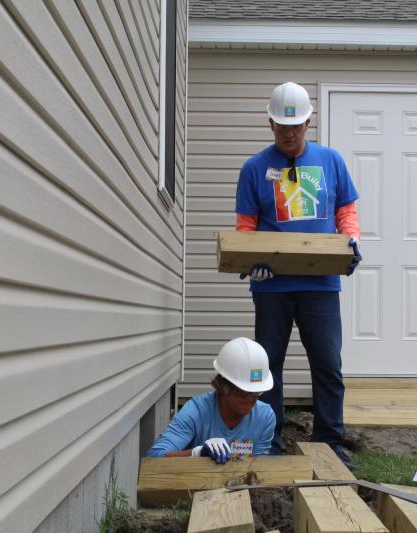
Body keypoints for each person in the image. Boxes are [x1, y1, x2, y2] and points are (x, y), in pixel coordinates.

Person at [234, 81, 362, 469]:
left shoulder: (331, 161)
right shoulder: (255, 169)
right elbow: (245, 227)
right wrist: (250, 259)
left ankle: (330, 442)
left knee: (327, 362)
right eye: (282, 126)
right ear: (270, 124)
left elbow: (346, 211)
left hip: (321, 284)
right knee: (268, 364)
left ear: (309, 122)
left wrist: (351, 241)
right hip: (271, 285)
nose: (290, 133)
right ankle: (269, 441)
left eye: (297, 126)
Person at [146, 337, 276, 462]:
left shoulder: (264, 417)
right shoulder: (196, 412)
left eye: (256, 392)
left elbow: (259, 467)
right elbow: (154, 458)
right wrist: (196, 453)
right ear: (224, 386)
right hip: (194, 482)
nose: (251, 399)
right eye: (243, 392)